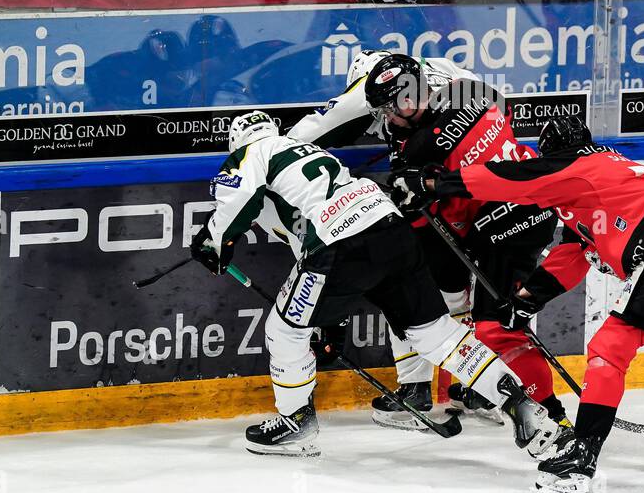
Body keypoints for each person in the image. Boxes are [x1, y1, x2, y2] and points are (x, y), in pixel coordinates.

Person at [396, 115, 644, 493]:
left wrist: (434, 183)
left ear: (551, 155)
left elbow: (507, 181)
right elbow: (575, 252)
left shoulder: (575, 166)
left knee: (609, 349)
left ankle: (581, 458)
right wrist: (526, 301)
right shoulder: (610, 174)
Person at [190, 110, 562, 459]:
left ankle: (295, 423)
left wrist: (212, 243)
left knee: (283, 330)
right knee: (435, 333)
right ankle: (514, 396)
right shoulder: (304, 151)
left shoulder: (250, 154)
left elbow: (235, 203)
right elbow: (309, 254)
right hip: (391, 227)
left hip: (341, 242)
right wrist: (328, 320)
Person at [286, 49, 498, 428]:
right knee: (473, 295)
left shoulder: (362, 93)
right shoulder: (438, 72)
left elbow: (300, 137)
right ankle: (481, 387)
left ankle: (416, 388)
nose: (378, 114)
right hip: (484, 191)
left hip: (443, 195)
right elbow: (493, 100)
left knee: (404, 285)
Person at [365, 54, 569, 428]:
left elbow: (450, 218)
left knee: (480, 315)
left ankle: (541, 411)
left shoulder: (418, 151)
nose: (386, 122)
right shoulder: (469, 93)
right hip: (537, 203)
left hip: (501, 226)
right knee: (504, 312)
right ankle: (481, 390)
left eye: (387, 112)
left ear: (406, 104)